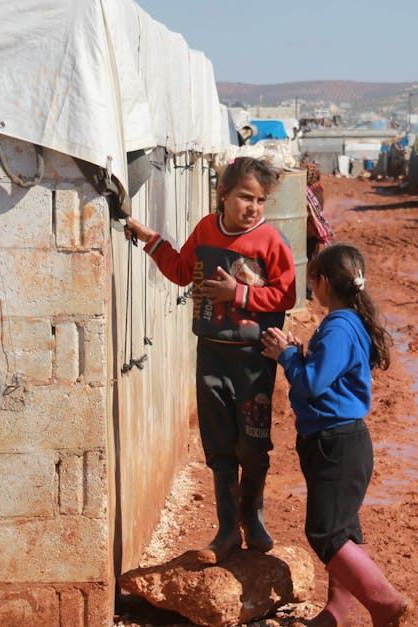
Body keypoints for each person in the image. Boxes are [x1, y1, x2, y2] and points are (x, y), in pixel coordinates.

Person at [124, 157, 297, 564]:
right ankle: (225, 531)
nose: (253, 207)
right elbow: (184, 271)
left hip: (253, 360)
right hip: (212, 354)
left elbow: (286, 295)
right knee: (219, 445)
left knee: (253, 445)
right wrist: (152, 242)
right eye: (244, 197)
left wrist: (239, 295)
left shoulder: (271, 240)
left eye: (260, 200)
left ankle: (252, 519)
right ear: (224, 195)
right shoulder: (206, 230)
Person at [261, 244, 411, 626]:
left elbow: (312, 384)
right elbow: (329, 374)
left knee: (326, 533)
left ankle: (385, 602)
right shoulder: (348, 323)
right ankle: (339, 612)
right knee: (343, 527)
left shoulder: (339, 326)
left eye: (313, 283)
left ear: (323, 282)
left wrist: (287, 356)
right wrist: (302, 354)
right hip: (342, 442)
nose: (312, 290)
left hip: (335, 443)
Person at [304, 162, 335, 300]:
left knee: (307, 260)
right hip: (313, 233)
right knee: (311, 259)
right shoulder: (318, 191)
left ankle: (306, 290)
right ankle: (308, 289)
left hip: (307, 232)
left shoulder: (308, 193)